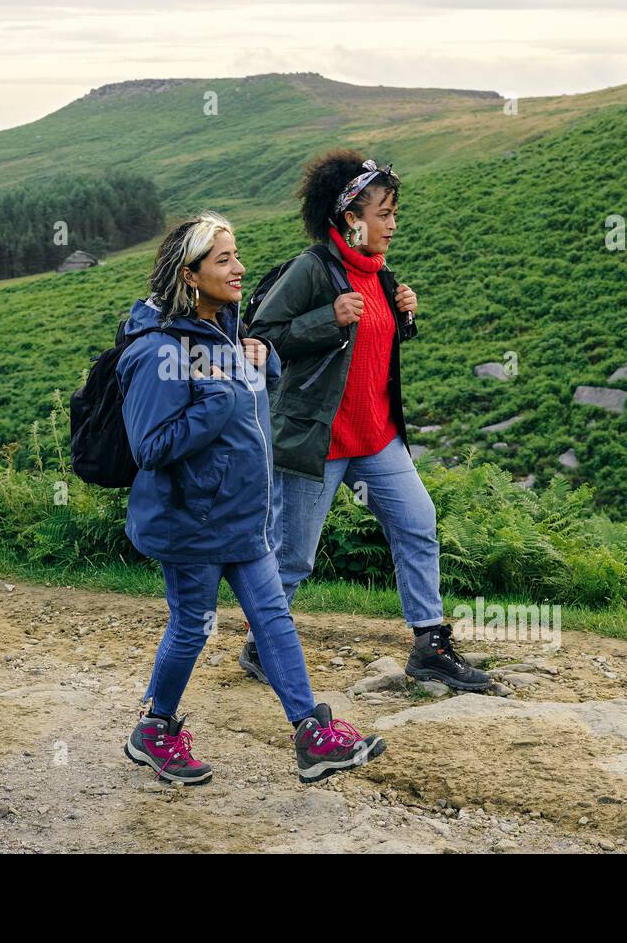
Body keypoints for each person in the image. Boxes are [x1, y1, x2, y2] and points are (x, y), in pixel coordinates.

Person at [116, 210, 386, 784]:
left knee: (274, 617)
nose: (240, 269)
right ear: (190, 276)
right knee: (192, 625)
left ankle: (312, 735)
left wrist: (265, 365)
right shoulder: (157, 349)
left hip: (245, 515)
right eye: (224, 260)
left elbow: (254, 409)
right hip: (191, 521)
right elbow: (150, 445)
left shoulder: (226, 331)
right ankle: (154, 728)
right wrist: (215, 401)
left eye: (237, 256)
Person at [244, 151, 491, 692]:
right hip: (319, 439)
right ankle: (262, 645)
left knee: (417, 525)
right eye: (384, 212)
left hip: (377, 436)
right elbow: (261, 337)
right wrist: (323, 319)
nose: (393, 223)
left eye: (395, 212)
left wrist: (403, 317)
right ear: (351, 217)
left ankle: (430, 645)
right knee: (294, 558)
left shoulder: (381, 276)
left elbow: (369, 348)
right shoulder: (312, 269)